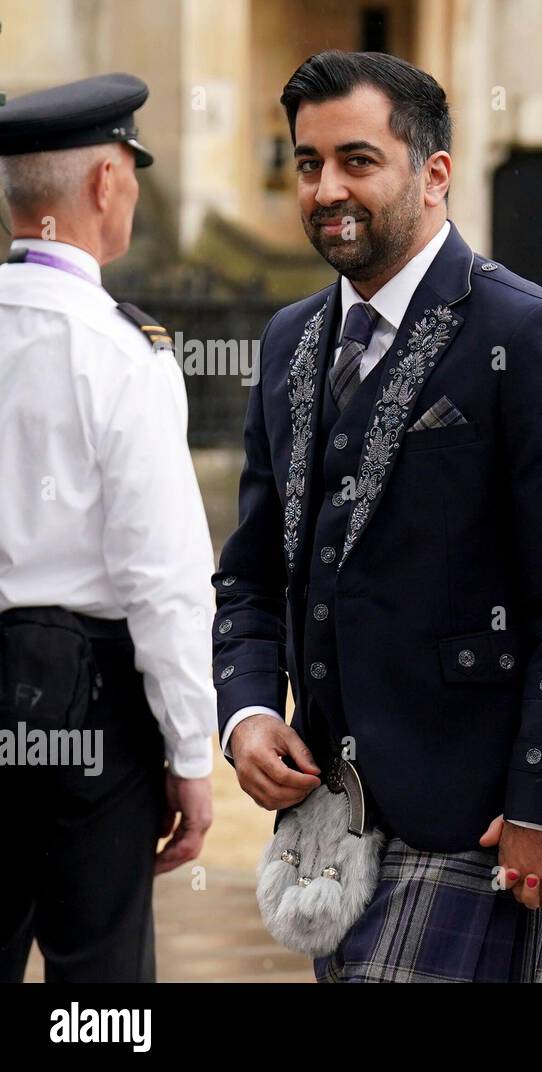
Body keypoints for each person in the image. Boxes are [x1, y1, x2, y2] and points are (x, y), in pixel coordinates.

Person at [214, 50, 542, 983]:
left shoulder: (530, 334)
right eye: (309, 163)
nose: (327, 189)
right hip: (327, 821)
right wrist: (247, 711)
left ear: (434, 174)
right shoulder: (288, 339)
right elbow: (251, 571)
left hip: (476, 823)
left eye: (357, 161)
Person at [0, 74, 216, 982]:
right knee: (100, 982)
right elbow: (161, 575)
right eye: (130, 169)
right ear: (104, 181)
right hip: (88, 699)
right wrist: (191, 753)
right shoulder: (122, 351)